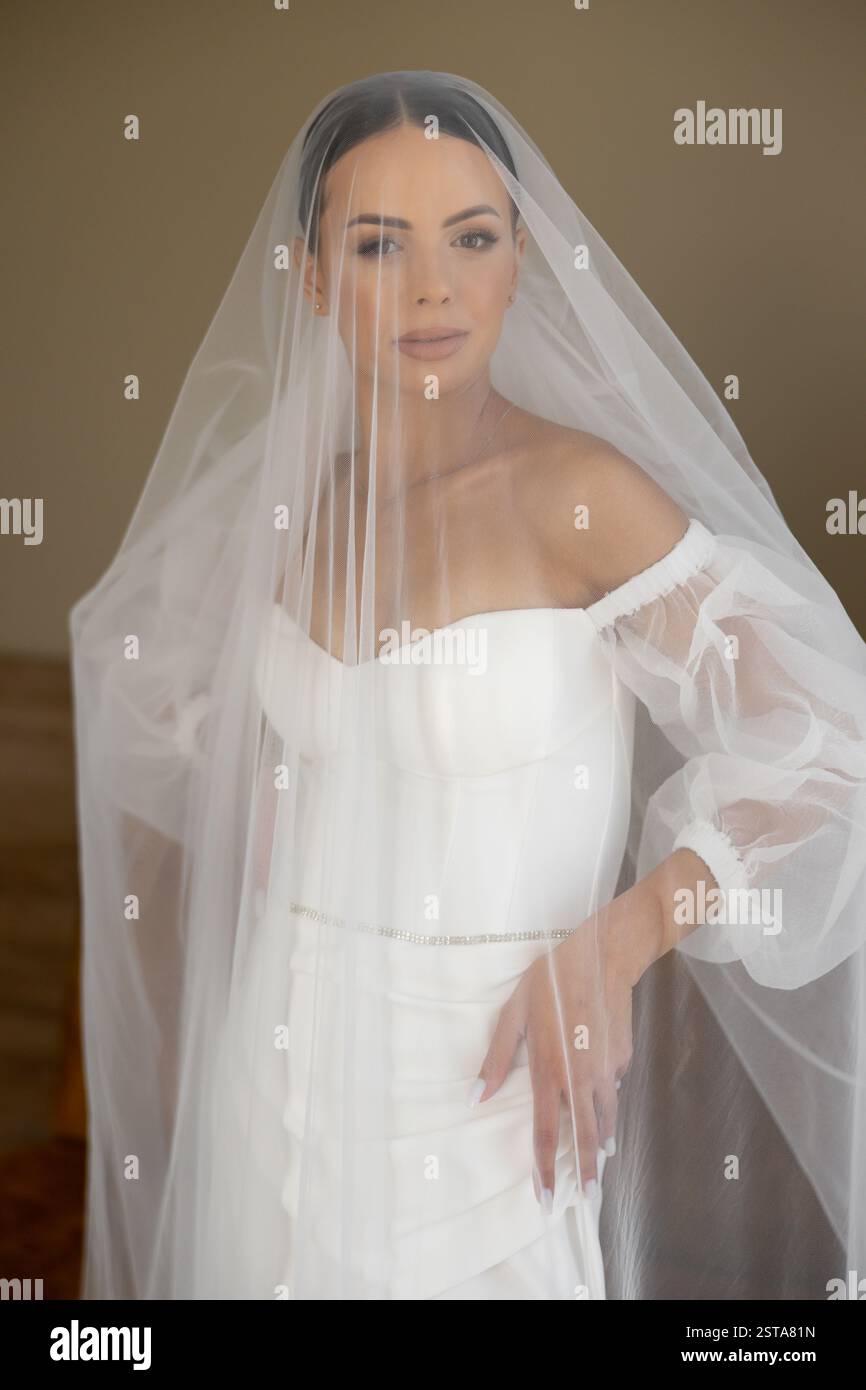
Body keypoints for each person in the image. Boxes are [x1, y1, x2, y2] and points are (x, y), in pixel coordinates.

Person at [69, 70, 866, 1300]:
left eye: (471, 238)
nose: (434, 286)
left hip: (494, 1088)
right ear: (315, 279)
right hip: (272, 1073)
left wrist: (622, 938)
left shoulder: (579, 498)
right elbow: (156, 685)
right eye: (380, 246)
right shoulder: (293, 514)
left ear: (520, 262)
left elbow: (824, 745)